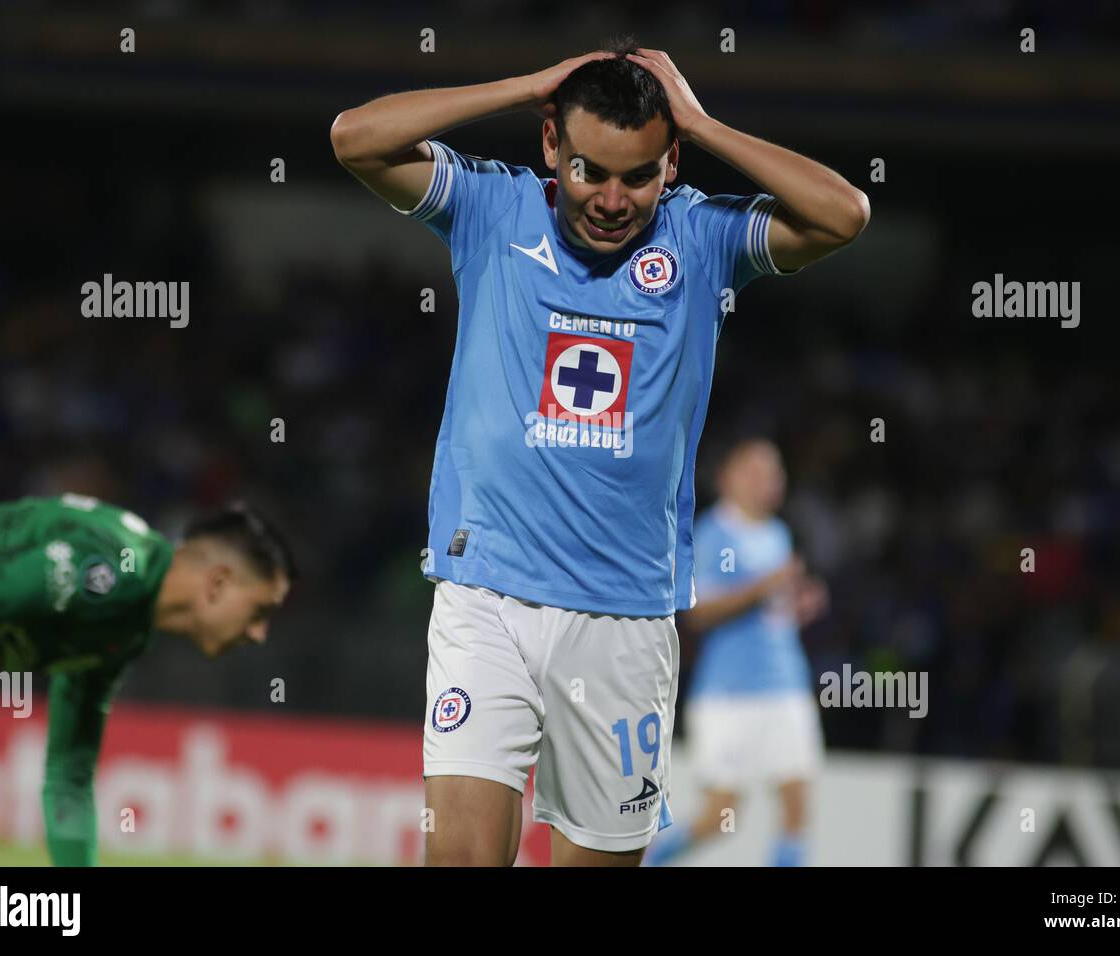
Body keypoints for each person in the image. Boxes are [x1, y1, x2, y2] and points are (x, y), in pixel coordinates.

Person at [331, 36, 868, 866]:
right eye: (589, 170)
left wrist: (699, 119)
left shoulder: (702, 240)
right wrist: (525, 84)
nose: (612, 198)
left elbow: (844, 215)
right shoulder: (491, 208)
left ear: (672, 164)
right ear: (551, 143)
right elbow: (354, 138)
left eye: (639, 175)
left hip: (626, 619)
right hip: (488, 597)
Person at [0, 493, 295, 866]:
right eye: (260, 611)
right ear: (218, 583)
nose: (258, 633)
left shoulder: (127, 627)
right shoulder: (113, 569)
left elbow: (69, 775)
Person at [643, 438, 828, 867]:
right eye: (756, 471)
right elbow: (698, 610)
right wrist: (766, 586)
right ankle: (647, 862)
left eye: (775, 471)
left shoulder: (778, 533)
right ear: (728, 479)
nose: (769, 481)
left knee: (797, 807)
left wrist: (798, 603)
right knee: (719, 816)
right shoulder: (713, 534)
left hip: (785, 687)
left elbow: (771, 612)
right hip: (729, 693)